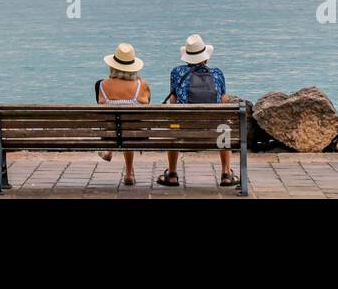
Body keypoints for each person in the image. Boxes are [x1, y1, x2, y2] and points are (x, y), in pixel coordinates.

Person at [156, 33, 238, 188]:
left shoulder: (177, 72)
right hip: (213, 130)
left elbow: (173, 101)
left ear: (187, 57)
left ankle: (172, 174)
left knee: (173, 124)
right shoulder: (217, 74)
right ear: (206, 57)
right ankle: (226, 174)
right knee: (224, 127)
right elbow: (224, 101)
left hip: (182, 130)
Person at [94, 42, 151, 185]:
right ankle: (129, 173)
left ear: (113, 66)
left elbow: (100, 109)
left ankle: (108, 149)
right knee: (129, 125)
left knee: (116, 123)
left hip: (111, 133)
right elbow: (147, 106)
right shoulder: (142, 85)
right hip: (135, 135)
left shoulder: (101, 85)